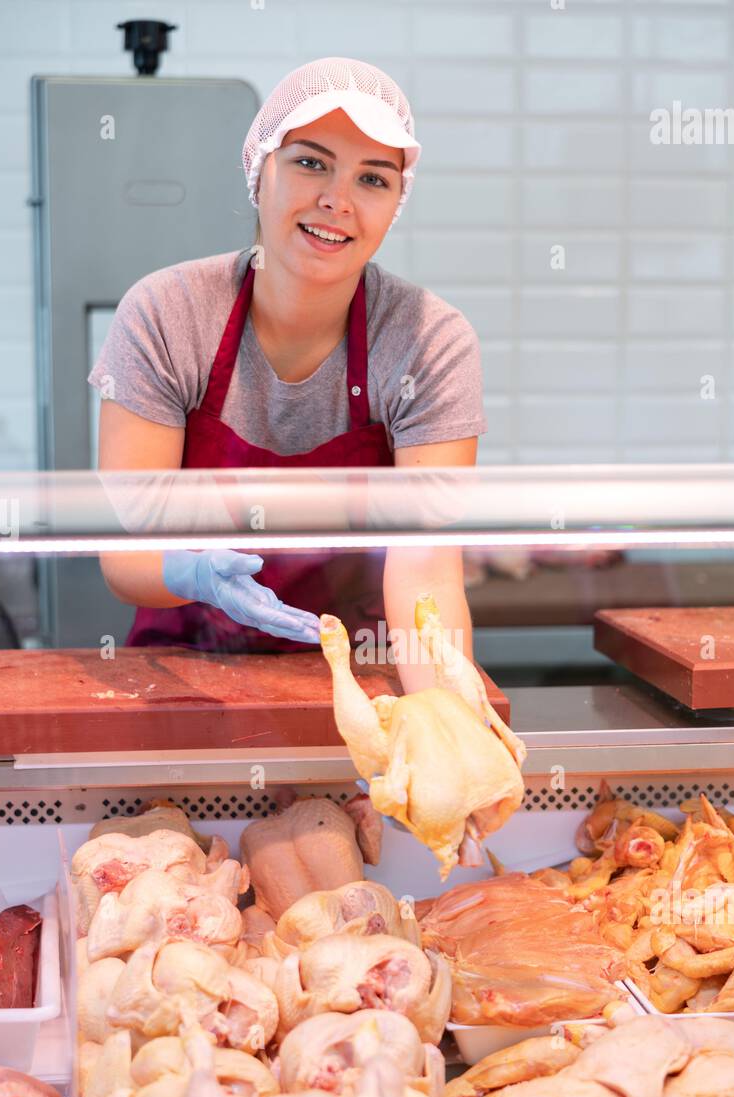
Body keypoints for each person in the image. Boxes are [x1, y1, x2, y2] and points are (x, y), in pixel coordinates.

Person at [89, 55, 487, 692]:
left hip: (362, 677)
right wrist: (194, 575)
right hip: (182, 671)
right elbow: (124, 553)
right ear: (259, 168)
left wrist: (442, 723)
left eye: (373, 179)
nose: (336, 201)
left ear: (395, 204)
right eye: (310, 162)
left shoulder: (428, 342)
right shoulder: (168, 315)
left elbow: (427, 575)